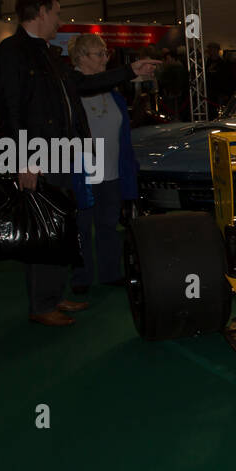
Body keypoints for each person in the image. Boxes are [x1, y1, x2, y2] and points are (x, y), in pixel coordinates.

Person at [0, 0, 158, 327]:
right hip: (39, 154)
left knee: (60, 229)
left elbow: (80, 85)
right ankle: (41, 305)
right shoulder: (13, 52)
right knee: (43, 231)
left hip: (60, 154)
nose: (59, 19)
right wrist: (23, 161)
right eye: (55, 11)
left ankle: (53, 295)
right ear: (40, 12)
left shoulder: (46, 53)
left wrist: (130, 72)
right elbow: (10, 110)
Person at [67, 33, 140, 293]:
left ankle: (110, 272)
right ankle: (81, 277)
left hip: (111, 170)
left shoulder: (111, 90)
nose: (104, 59)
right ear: (81, 58)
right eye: (99, 54)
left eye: (105, 53)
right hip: (82, 171)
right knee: (82, 228)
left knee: (109, 225)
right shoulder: (72, 89)